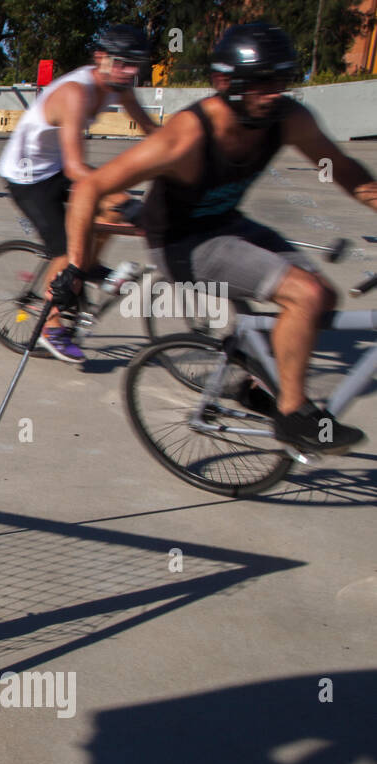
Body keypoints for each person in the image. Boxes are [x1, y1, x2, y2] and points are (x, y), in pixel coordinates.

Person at [51, 22, 374, 454]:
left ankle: (256, 381)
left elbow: (343, 170)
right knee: (306, 293)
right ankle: (294, 415)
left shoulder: (287, 119)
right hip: (181, 244)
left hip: (227, 222)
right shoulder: (188, 136)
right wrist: (75, 268)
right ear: (225, 83)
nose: (274, 93)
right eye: (261, 83)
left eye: (281, 80)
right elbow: (90, 187)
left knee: (325, 299)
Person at [0, 25, 159, 363]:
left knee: (109, 213)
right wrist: (125, 200)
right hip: (27, 176)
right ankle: (50, 327)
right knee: (65, 247)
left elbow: (154, 134)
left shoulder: (119, 86)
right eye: (122, 63)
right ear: (100, 58)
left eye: (135, 65)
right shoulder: (76, 92)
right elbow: (77, 170)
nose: (129, 72)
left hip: (54, 167)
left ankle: (88, 266)